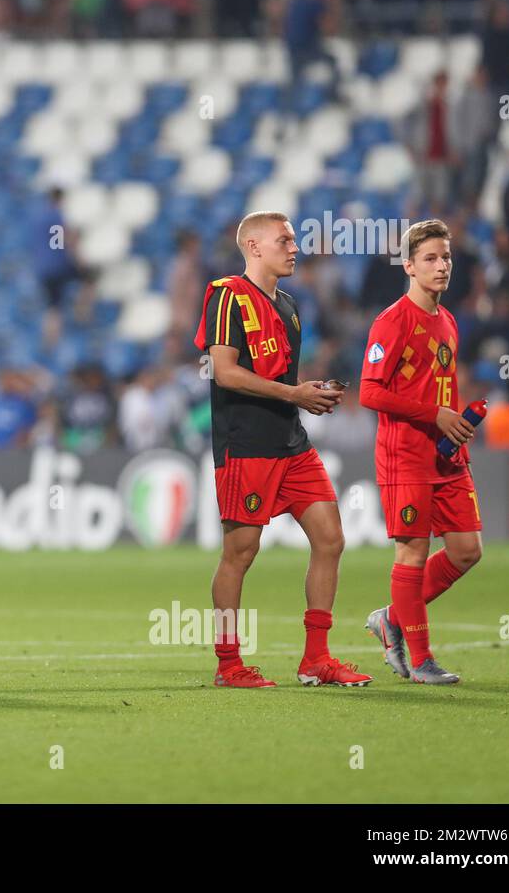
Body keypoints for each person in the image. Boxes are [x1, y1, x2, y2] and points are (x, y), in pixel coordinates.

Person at [193, 210, 372, 688]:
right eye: (284, 240)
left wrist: (306, 391)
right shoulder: (227, 297)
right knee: (241, 551)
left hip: (290, 443)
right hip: (245, 444)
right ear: (253, 247)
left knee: (330, 538)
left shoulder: (290, 306)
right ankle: (229, 665)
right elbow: (225, 372)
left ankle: (317, 658)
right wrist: (294, 394)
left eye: (294, 240)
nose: (295, 248)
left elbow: (276, 378)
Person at [360, 220, 483, 685]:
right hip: (405, 457)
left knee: (467, 550)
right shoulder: (391, 322)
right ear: (409, 266)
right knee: (412, 553)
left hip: (447, 456)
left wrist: (455, 420)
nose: (441, 266)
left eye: (446, 257)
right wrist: (435, 415)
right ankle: (421, 658)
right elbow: (370, 392)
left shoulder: (448, 320)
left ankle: (391, 617)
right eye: (430, 258)